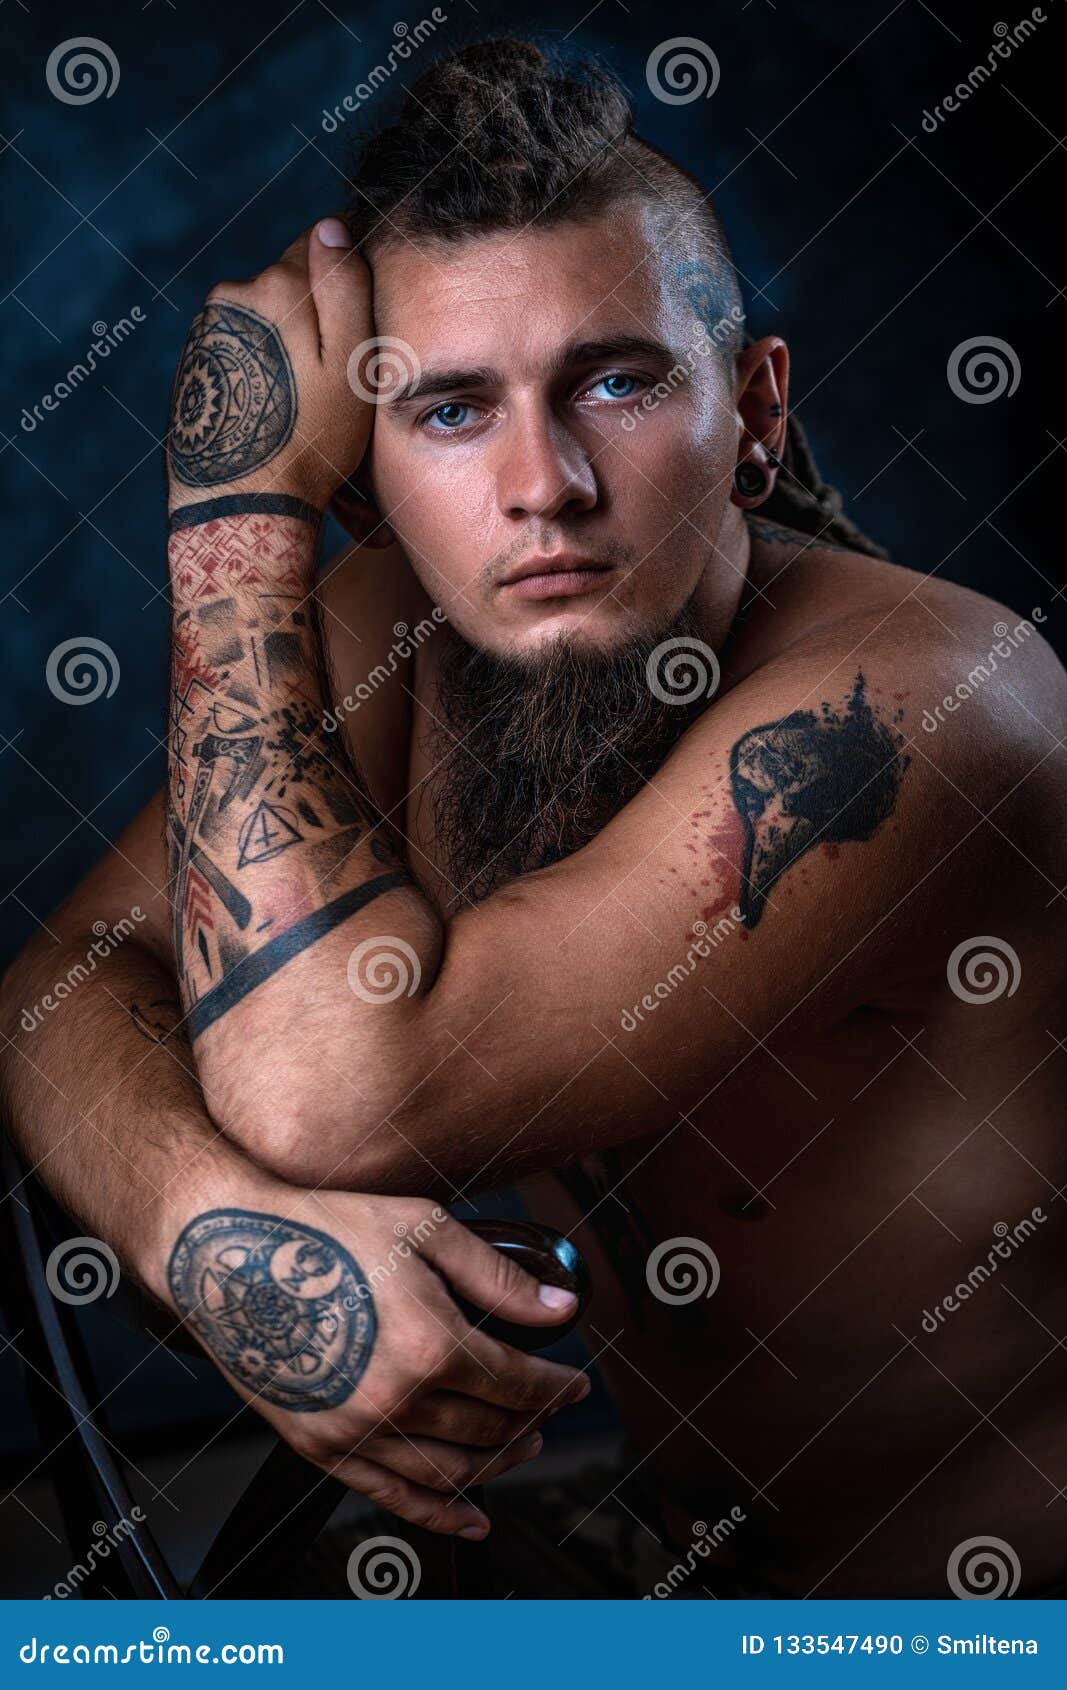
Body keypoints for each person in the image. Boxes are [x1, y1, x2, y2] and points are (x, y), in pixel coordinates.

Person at [2, 36, 1065, 1595]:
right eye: (447, 411)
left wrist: (229, 525)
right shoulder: (410, 638)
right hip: (697, 1564)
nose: (542, 483)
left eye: (615, 380)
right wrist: (204, 1219)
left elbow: (336, 1094)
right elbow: (59, 984)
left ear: (757, 411)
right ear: (364, 472)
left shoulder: (918, 706)